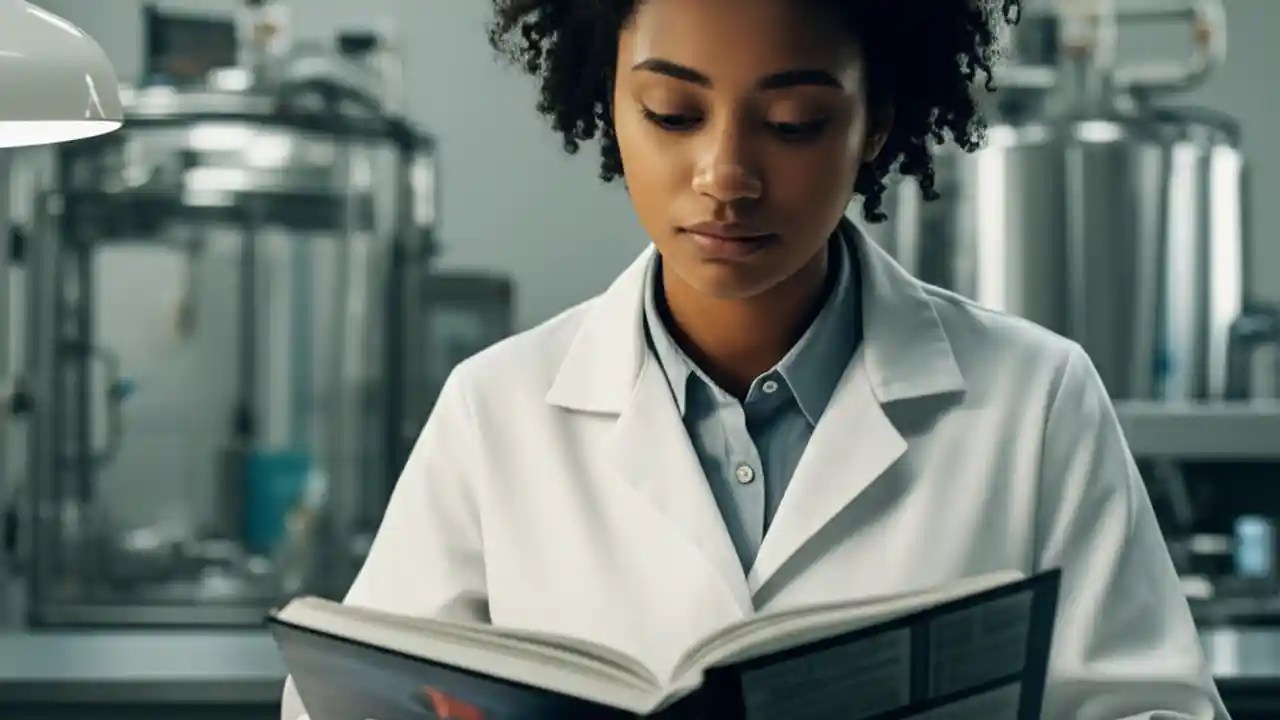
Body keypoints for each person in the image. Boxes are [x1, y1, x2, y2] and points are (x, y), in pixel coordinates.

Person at [282, 0, 1229, 717]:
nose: (725, 176)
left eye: (794, 124)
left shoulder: (1035, 399)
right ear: (609, 101)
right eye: (671, 112)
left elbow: (1156, 708)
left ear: (878, 123)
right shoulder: (497, 409)